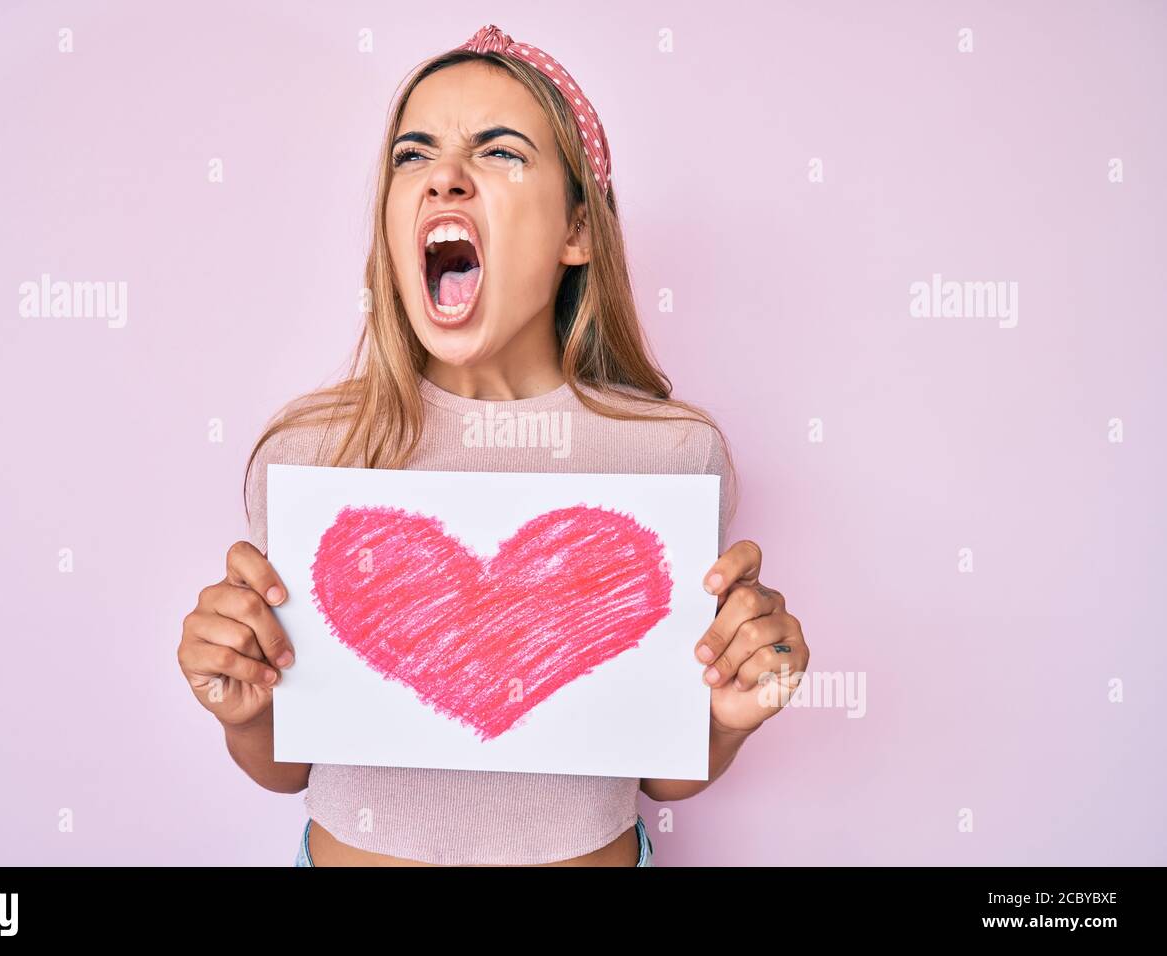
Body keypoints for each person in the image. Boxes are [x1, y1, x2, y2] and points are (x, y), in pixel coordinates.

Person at [177, 24, 809, 867]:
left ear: (576, 230)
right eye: (413, 155)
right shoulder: (311, 453)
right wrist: (243, 706)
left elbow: (658, 774)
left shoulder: (672, 458)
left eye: (499, 152)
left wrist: (730, 716)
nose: (444, 175)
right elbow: (289, 766)